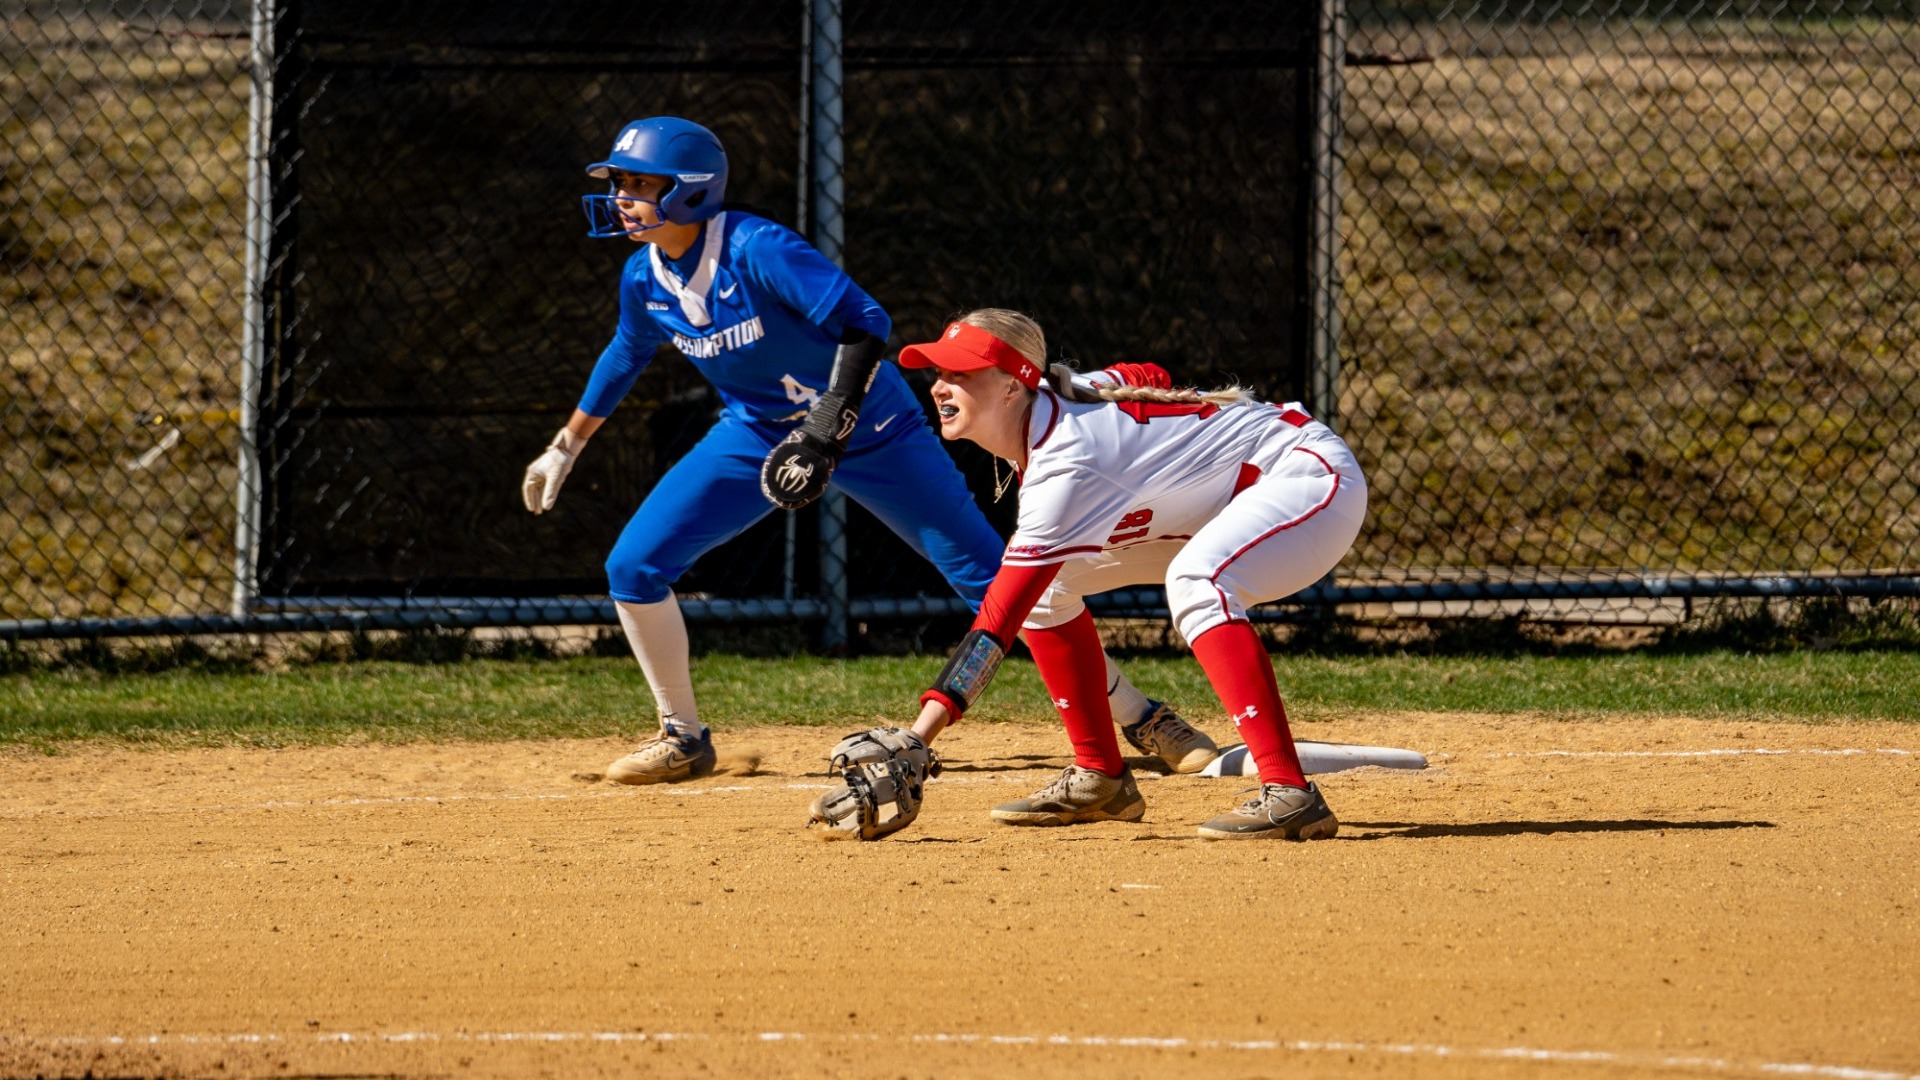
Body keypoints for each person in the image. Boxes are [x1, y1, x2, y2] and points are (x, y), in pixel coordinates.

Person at [520, 118, 1219, 784]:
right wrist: (565, 446)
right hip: (757, 431)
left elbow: (866, 324)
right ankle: (683, 737)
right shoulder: (645, 278)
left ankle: (1146, 718)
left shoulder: (755, 249)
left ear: (692, 188)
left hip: (872, 429)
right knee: (634, 565)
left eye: (640, 184)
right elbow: (626, 352)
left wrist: (829, 426)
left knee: (992, 578)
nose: (622, 198)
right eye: (621, 183)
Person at [809, 309, 1367, 841]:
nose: (939, 385)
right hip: (1230, 500)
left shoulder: (1064, 461)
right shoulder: (1058, 396)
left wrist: (919, 735)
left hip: (1307, 478)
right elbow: (1149, 375)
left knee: (1197, 582)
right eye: (939, 371)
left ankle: (1290, 791)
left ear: (1011, 387)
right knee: (1050, 593)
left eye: (962, 373)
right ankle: (1101, 776)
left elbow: (998, 622)